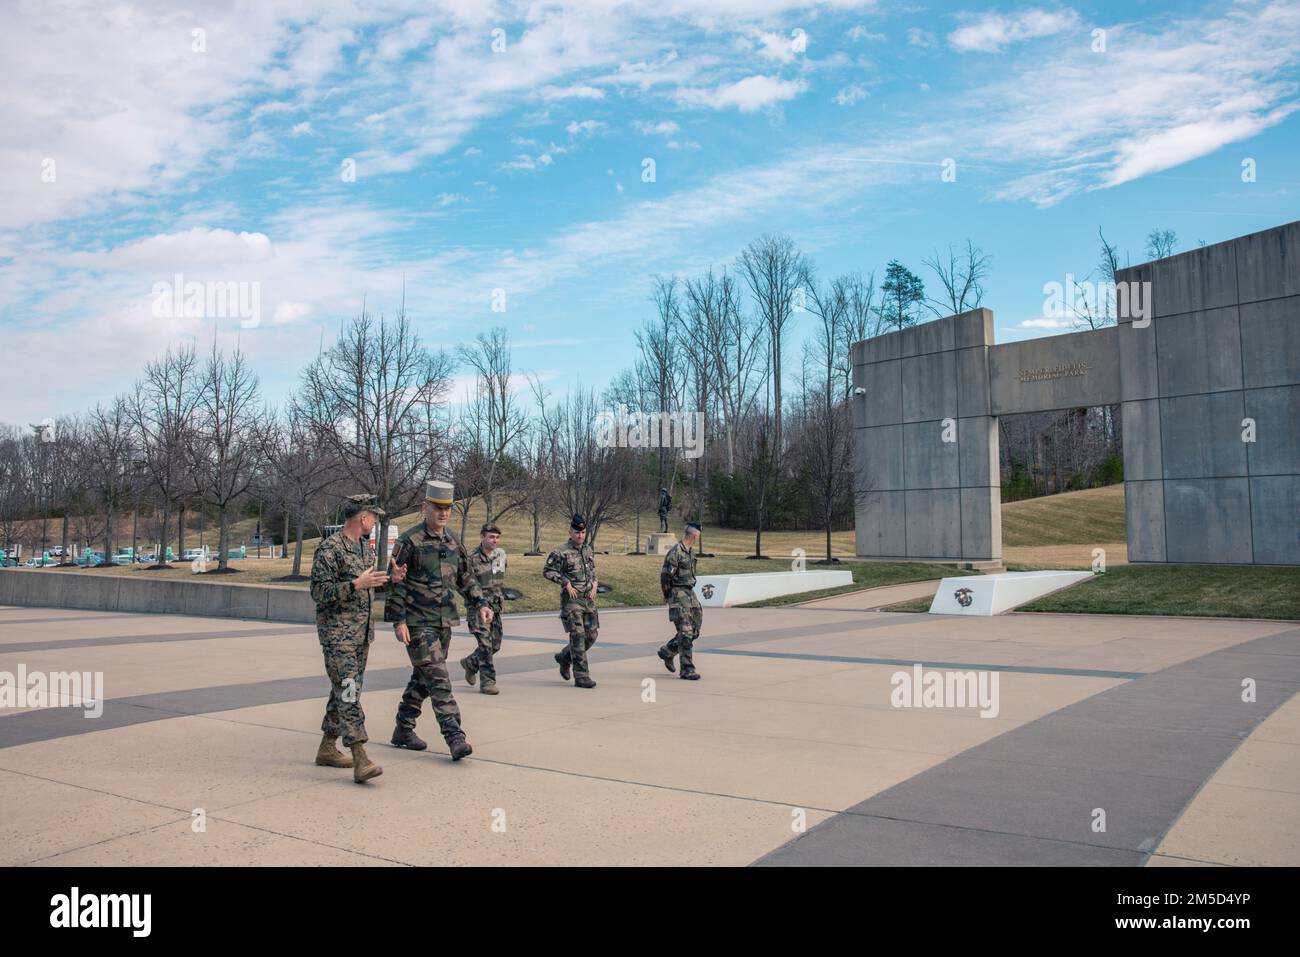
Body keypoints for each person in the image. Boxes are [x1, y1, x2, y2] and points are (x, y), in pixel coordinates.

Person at [385, 480, 493, 760]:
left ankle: (403, 728)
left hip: (444, 622)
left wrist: (480, 603)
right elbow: (396, 582)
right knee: (439, 680)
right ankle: (455, 736)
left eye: (447, 509)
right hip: (418, 624)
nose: (443, 513)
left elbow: (466, 578)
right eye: (437, 508)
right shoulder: (409, 541)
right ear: (425, 508)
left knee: (423, 679)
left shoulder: (453, 541)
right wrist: (398, 621)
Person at [310, 494, 404, 783]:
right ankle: (360, 756)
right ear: (363, 517)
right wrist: (355, 584)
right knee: (349, 691)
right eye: (373, 517)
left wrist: (390, 580)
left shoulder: (365, 547)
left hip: (361, 635)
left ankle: (327, 747)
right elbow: (318, 592)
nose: (375, 522)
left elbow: (367, 589)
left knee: (344, 690)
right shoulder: (330, 549)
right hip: (337, 636)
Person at [543, 514, 599, 689]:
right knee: (578, 636)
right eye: (577, 532)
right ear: (570, 532)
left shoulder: (588, 549)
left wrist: (595, 584)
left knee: (591, 635)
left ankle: (564, 657)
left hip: (588, 600)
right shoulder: (560, 552)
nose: (580, 536)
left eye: (583, 532)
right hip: (572, 601)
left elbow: (592, 571)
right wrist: (565, 582)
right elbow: (548, 571)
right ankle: (581, 676)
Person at [460, 523, 506, 694]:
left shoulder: (500, 555)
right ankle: (488, 682)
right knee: (485, 645)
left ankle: (471, 663)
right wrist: (477, 601)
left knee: (495, 644)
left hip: (495, 608)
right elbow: (464, 584)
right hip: (478, 608)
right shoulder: (471, 558)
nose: (495, 540)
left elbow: (499, 579)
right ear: (482, 537)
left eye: (497, 537)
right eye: (491, 537)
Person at [657, 522, 703, 680]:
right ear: (695, 536)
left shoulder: (690, 552)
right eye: (698, 535)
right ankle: (687, 669)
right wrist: (667, 594)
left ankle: (667, 651)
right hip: (678, 593)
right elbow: (665, 575)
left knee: (694, 630)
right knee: (686, 632)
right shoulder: (675, 552)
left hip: (690, 594)